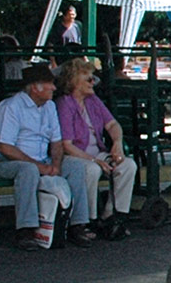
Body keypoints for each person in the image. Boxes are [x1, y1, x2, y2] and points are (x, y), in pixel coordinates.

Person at [0, 62, 100, 249]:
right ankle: (26, 230)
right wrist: (41, 167)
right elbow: (5, 147)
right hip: (5, 163)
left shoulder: (48, 106)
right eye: (50, 84)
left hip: (42, 160)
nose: (54, 88)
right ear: (35, 87)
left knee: (76, 166)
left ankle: (77, 225)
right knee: (28, 170)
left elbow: (56, 142)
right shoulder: (11, 107)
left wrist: (56, 164)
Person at [55, 58, 136, 240]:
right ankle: (89, 218)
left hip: (97, 151)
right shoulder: (65, 104)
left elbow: (113, 124)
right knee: (91, 170)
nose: (93, 82)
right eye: (88, 79)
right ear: (75, 82)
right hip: (74, 155)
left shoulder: (93, 100)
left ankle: (112, 215)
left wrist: (117, 143)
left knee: (127, 166)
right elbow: (66, 145)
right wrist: (95, 161)